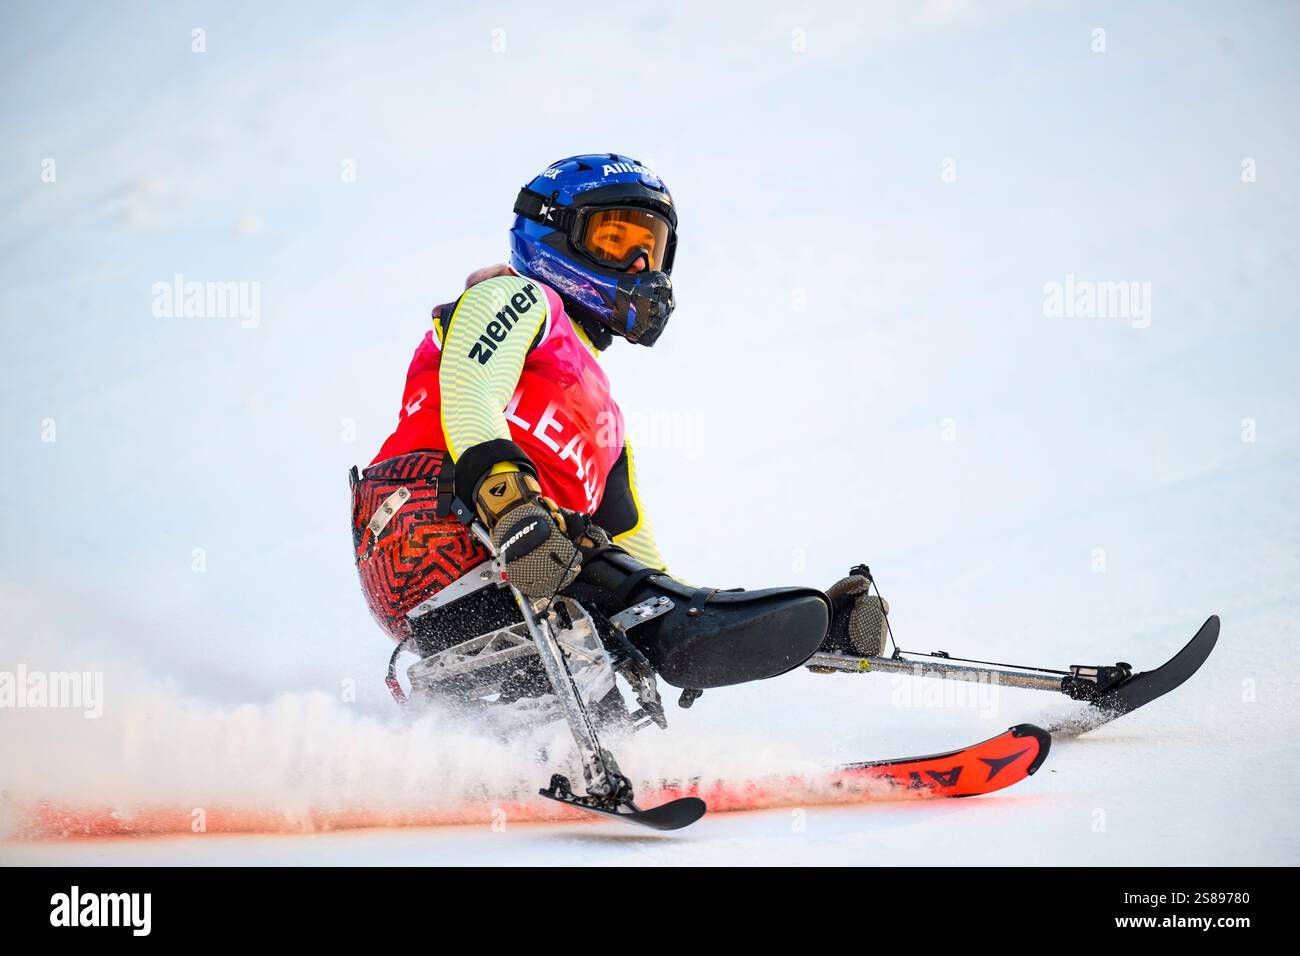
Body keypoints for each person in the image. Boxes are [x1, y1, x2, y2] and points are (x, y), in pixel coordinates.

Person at [350, 153, 885, 715]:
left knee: (638, 613)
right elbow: (469, 391)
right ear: (554, 234)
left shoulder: (605, 420)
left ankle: (541, 746)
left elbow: (640, 565)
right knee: (613, 588)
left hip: (519, 576)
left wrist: (783, 637)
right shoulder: (516, 299)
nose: (637, 265)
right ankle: (770, 633)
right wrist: (511, 506)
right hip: (426, 525)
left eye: (650, 249)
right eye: (614, 240)